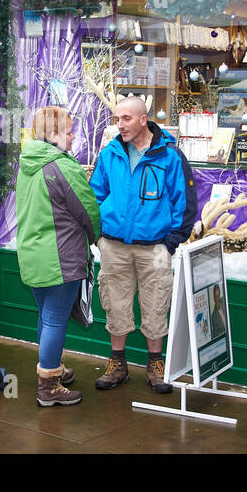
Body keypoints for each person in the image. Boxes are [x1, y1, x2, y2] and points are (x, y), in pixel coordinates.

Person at [89, 96, 197, 394]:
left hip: (156, 248)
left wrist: (172, 241)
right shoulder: (110, 153)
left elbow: (185, 202)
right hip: (114, 246)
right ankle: (117, 363)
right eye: (117, 119)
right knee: (116, 303)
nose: (119, 125)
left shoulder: (170, 155)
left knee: (156, 303)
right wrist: (98, 235)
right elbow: (94, 195)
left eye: (125, 118)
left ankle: (155, 363)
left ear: (142, 118)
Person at [15, 106, 100, 407]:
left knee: (46, 316)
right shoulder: (62, 166)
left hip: (32, 253)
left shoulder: (28, 161)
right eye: (69, 130)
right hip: (60, 256)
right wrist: (96, 237)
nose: (74, 135)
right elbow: (87, 208)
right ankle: (49, 385)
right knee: (55, 319)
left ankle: (51, 369)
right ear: (52, 135)